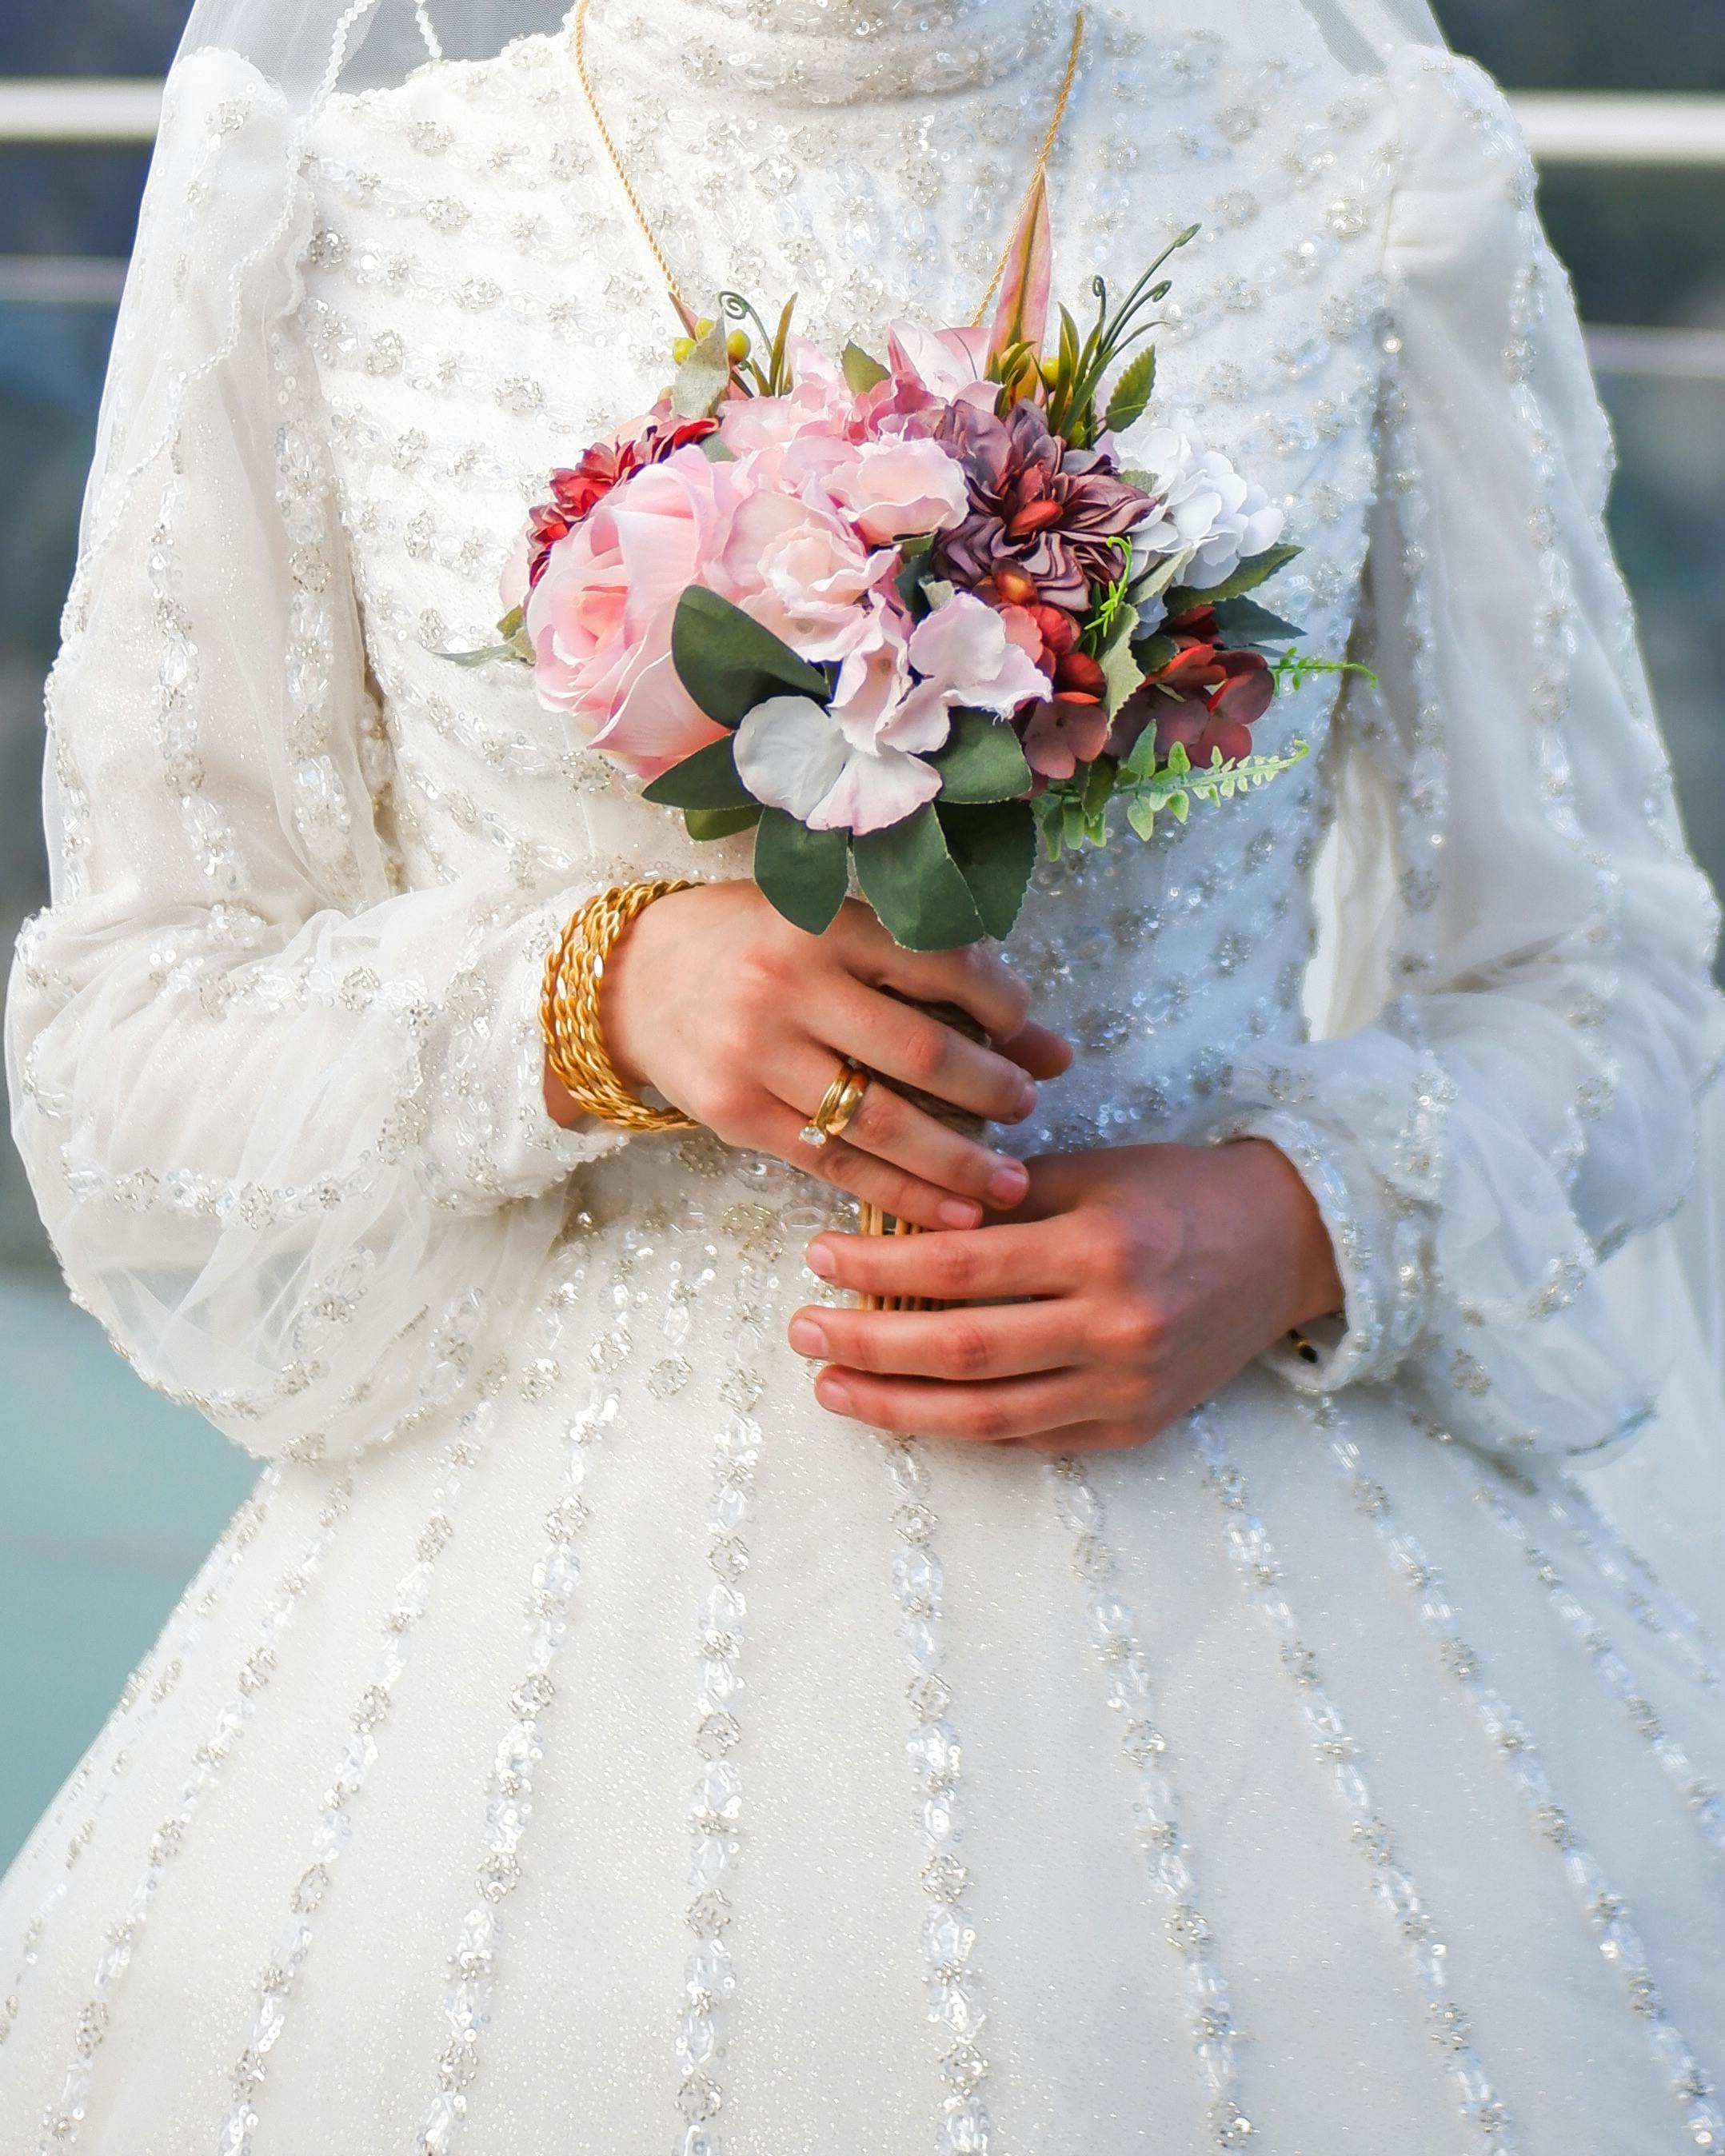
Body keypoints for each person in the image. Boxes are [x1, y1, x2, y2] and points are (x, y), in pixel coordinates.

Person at [2, 1, 1723, 2148]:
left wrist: (1292, 1221)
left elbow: (1611, 982)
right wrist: (592, 994)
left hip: (1252, 1583)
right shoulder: (347, 203)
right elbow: (132, 1028)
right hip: (534, 1669)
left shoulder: (1365, 173)